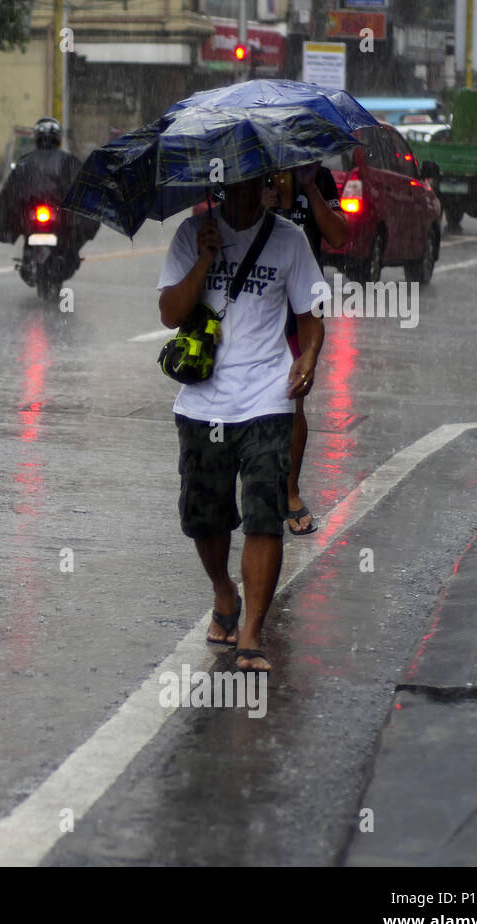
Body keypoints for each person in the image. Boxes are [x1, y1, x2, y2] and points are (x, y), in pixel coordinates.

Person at [156, 176, 326, 672]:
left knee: (263, 513)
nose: (248, 196)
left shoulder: (289, 240)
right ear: (223, 186)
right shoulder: (192, 235)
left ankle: (251, 632)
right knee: (204, 518)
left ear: (269, 185)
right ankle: (223, 590)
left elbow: (311, 314)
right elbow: (169, 313)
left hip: (267, 397)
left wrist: (310, 356)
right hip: (202, 400)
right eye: (238, 187)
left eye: (258, 185)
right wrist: (205, 262)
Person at [262, 163, 347, 535]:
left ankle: (290, 490)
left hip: (300, 304)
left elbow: (339, 236)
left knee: (294, 398)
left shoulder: (320, 176)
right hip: (256, 299)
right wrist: (265, 200)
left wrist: (310, 190)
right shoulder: (252, 167)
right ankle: (250, 481)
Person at [0, 117, 97, 275]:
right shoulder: (66, 160)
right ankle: (54, 257)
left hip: (52, 214)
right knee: (82, 221)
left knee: (79, 223)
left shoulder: (27, 161)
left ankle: (65, 255)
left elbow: (10, 190)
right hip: (45, 213)